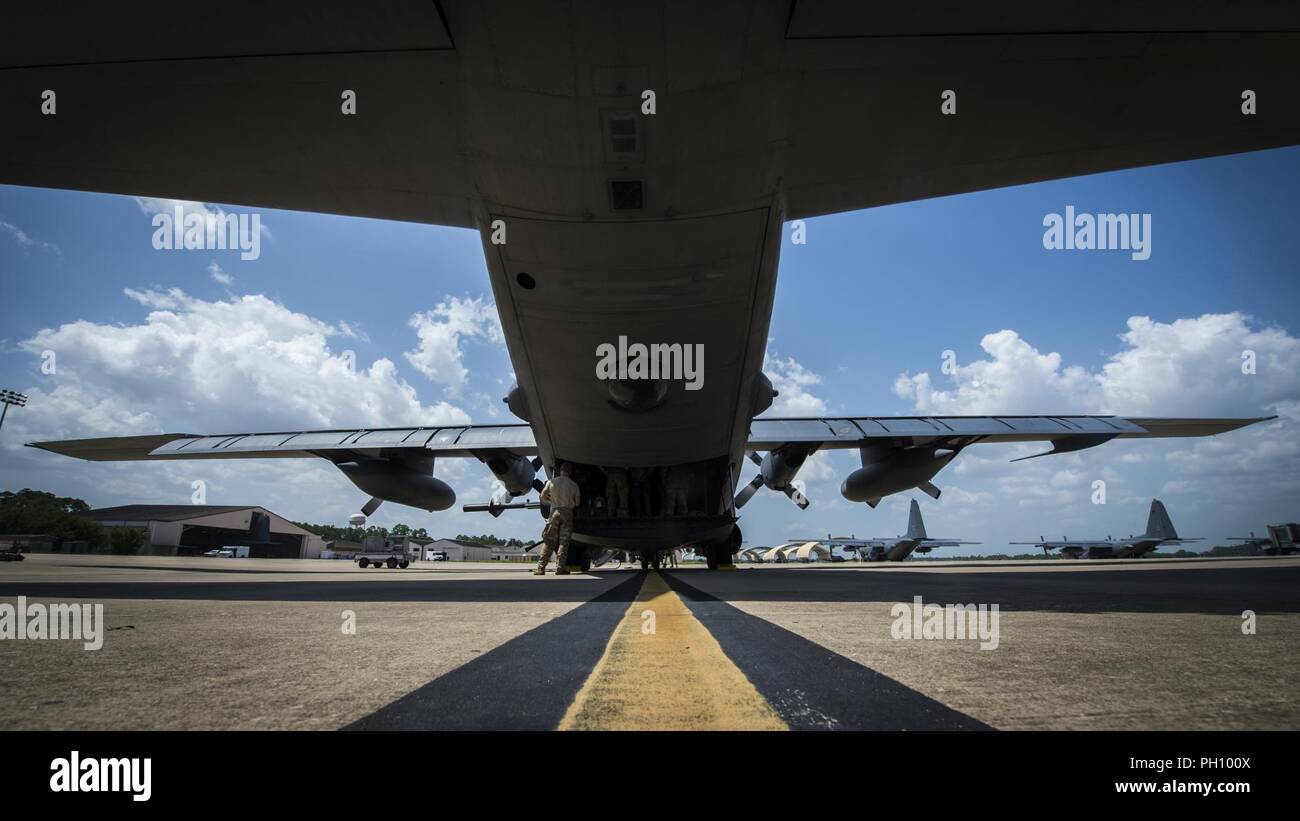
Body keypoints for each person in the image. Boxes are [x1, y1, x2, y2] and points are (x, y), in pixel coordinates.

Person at [535, 462, 581, 575]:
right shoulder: (574, 485)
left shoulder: (552, 482)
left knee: (549, 541)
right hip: (567, 513)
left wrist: (552, 500)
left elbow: (543, 495)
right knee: (563, 542)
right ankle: (560, 568)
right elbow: (577, 503)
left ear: (561, 470)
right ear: (570, 472)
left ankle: (541, 568)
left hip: (554, 511)